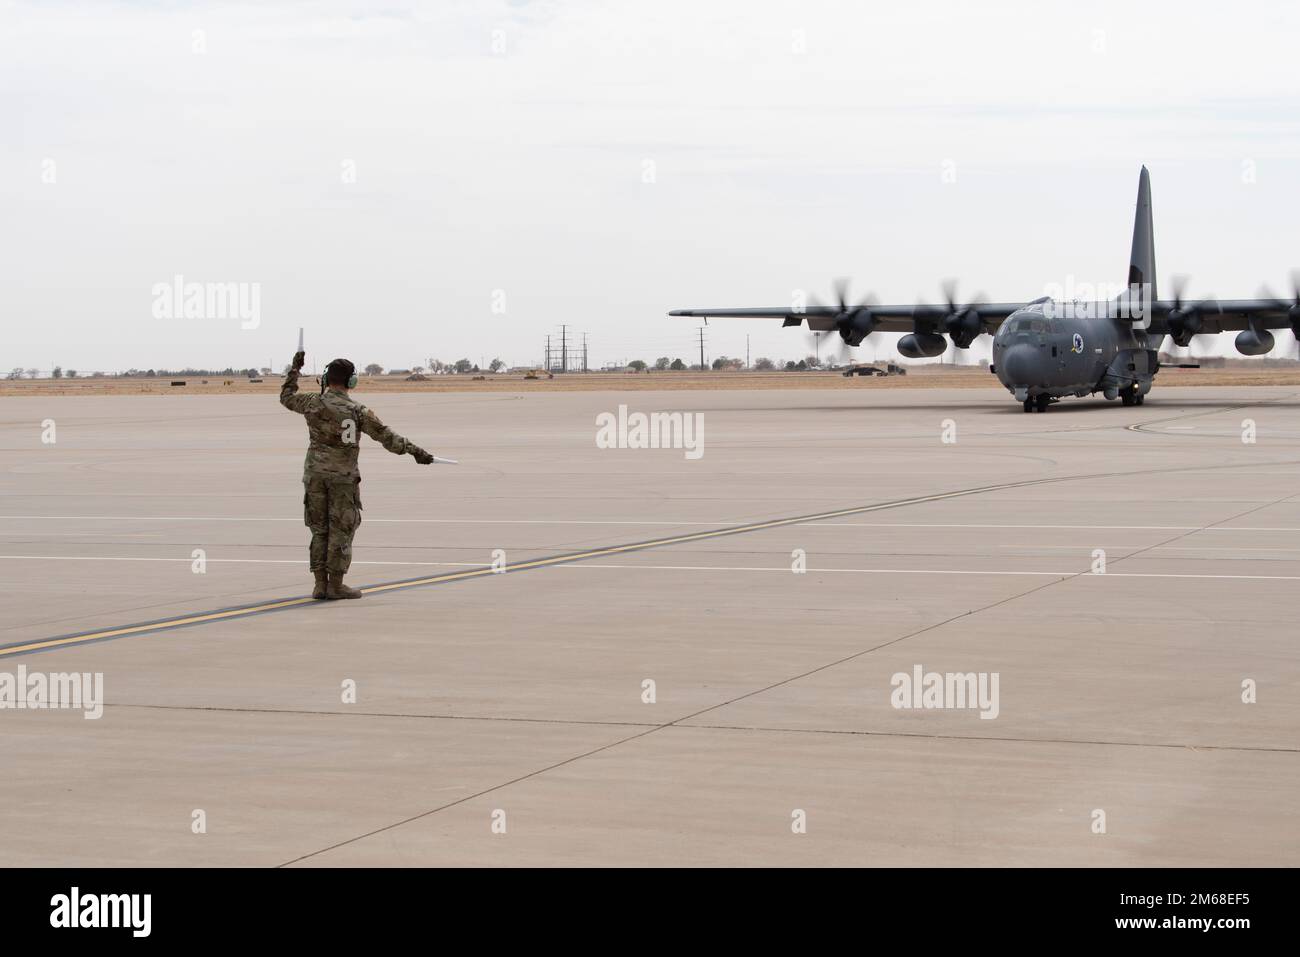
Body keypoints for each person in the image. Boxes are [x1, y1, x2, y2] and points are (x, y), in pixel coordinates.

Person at [280, 351, 435, 599]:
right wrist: (416, 452)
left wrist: (295, 369)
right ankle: (336, 585)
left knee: (319, 530)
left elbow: (286, 397)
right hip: (343, 478)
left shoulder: (312, 402)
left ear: (325, 379)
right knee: (341, 529)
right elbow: (388, 437)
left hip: (315, 476)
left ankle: (320, 584)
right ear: (351, 382)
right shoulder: (357, 410)